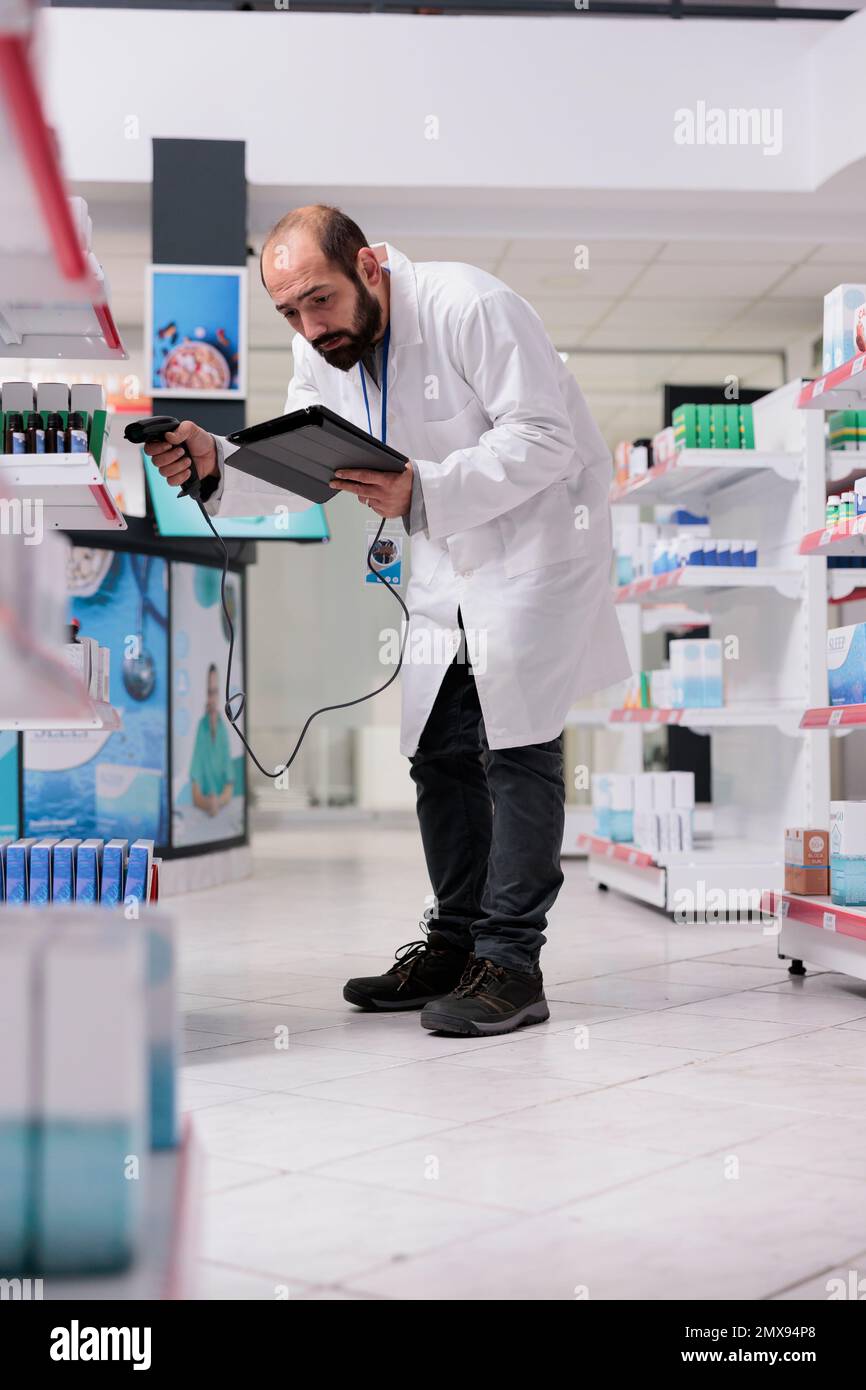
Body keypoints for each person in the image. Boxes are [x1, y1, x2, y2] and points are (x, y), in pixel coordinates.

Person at [146, 205, 630, 1037]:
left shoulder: (471, 307)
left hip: (538, 546)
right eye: (290, 313)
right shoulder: (321, 350)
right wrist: (213, 463)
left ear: (369, 265)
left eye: (320, 301)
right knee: (437, 748)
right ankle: (452, 945)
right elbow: (306, 467)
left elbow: (546, 439)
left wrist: (427, 489)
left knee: (515, 746)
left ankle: (511, 963)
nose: (309, 326)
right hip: (445, 556)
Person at [190, 663, 234, 818]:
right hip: (203, 813)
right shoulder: (201, 729)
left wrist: (218, 802)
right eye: (209, 692)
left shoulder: (224, 731)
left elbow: (230, 785)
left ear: (220, 693)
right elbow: (195, 794)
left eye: (215, 692)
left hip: (222, 812)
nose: (212, 698)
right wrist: (208, 803)